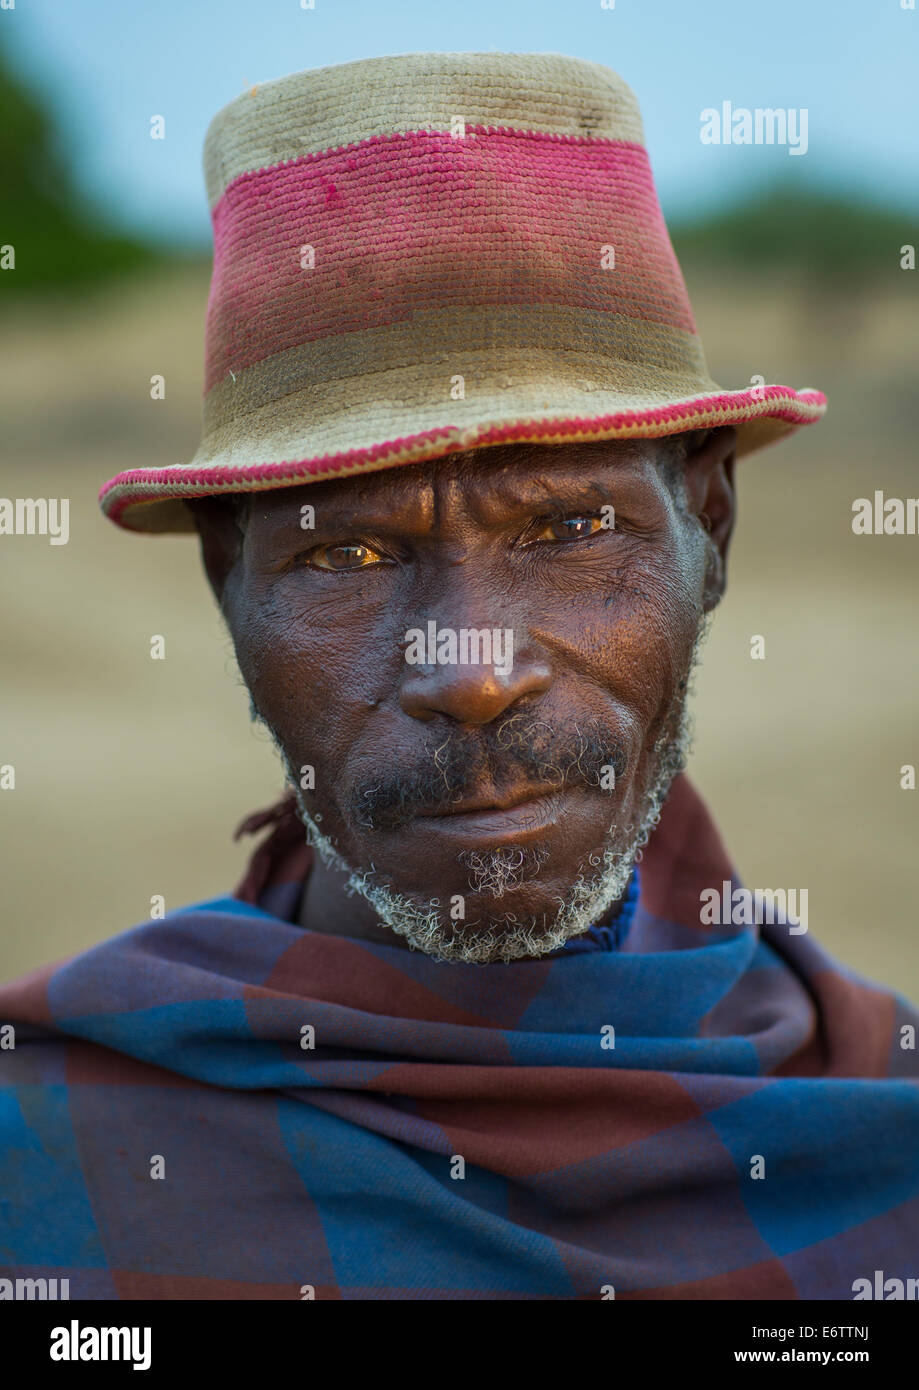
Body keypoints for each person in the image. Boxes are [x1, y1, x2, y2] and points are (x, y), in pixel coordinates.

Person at [2, 52, 916, 1303]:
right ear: (227, 584)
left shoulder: (879, 1108)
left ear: (710, 524)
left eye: (571, 529)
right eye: (345, 553)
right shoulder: (44, 1151)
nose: (473, 672)